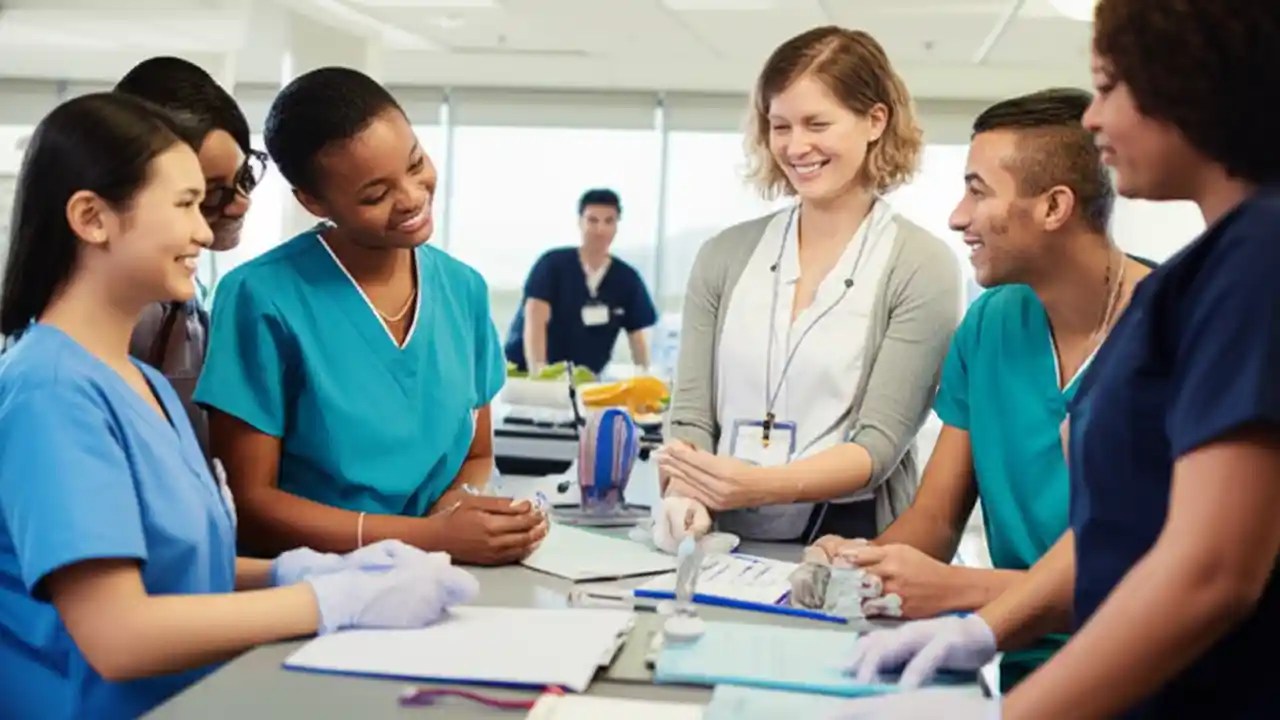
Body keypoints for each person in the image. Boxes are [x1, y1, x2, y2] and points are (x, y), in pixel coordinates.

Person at [844, 1, 1280, 717]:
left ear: (1189, 82)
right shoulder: (1198, 279)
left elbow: (1209, 572)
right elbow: (1118, 534)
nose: (1094, 118)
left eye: (1110, 85)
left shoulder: (1257, 259)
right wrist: (984, 633)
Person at [0, 92, 477, 720]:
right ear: (92, 218)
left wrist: (311, 572)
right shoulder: (49, 391)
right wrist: (330, 603)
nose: (205, 230)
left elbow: (182, 572)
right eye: (186, 205)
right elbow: (117, 633)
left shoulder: (143, 384)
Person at [803, 88, 1152, 689]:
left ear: (1054, 207)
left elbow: (1158, 586)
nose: (957, 216)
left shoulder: (1177, 333)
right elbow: (937, 519)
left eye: (978, 190)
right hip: (1023, 667)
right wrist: (867, 562)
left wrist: (964, 590)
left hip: (1152, 678)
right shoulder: (989, 324)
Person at [195, 67, 547, 564]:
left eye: (416, 162)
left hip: (437, 575)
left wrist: (462, 516)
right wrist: (427, 538)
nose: (411, 197)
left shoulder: (462, 289)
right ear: (313, 201)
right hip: (308, 590)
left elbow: (475, 455)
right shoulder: (260, 297)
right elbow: (251, 504)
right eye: (375, 195)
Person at [654, 26, 962, 550]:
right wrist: (686, 489)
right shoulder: (724, 257)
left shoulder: (921, 265)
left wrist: (750, 486)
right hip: (717, 533)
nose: (796, 147)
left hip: (850, 540)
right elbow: (690, 415)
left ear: (875, 121)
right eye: (780, 126)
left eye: (817, 123)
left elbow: (877, 447)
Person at [114, 56, 267, 456]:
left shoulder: (182, 293)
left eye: (245, 177)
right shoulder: (124, 311)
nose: (241, 204)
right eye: (210, 194)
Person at [503, 189, 658, 377]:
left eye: (609, 221)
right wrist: (539, 372)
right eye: (592, 220)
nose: (600, 229)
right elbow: (535, 315)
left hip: (584, 379)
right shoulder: (552, 265)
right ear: (580, 222)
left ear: (617, 226)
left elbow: (637, 336)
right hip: (528, 374)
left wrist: (645, 377)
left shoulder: (627, 279)